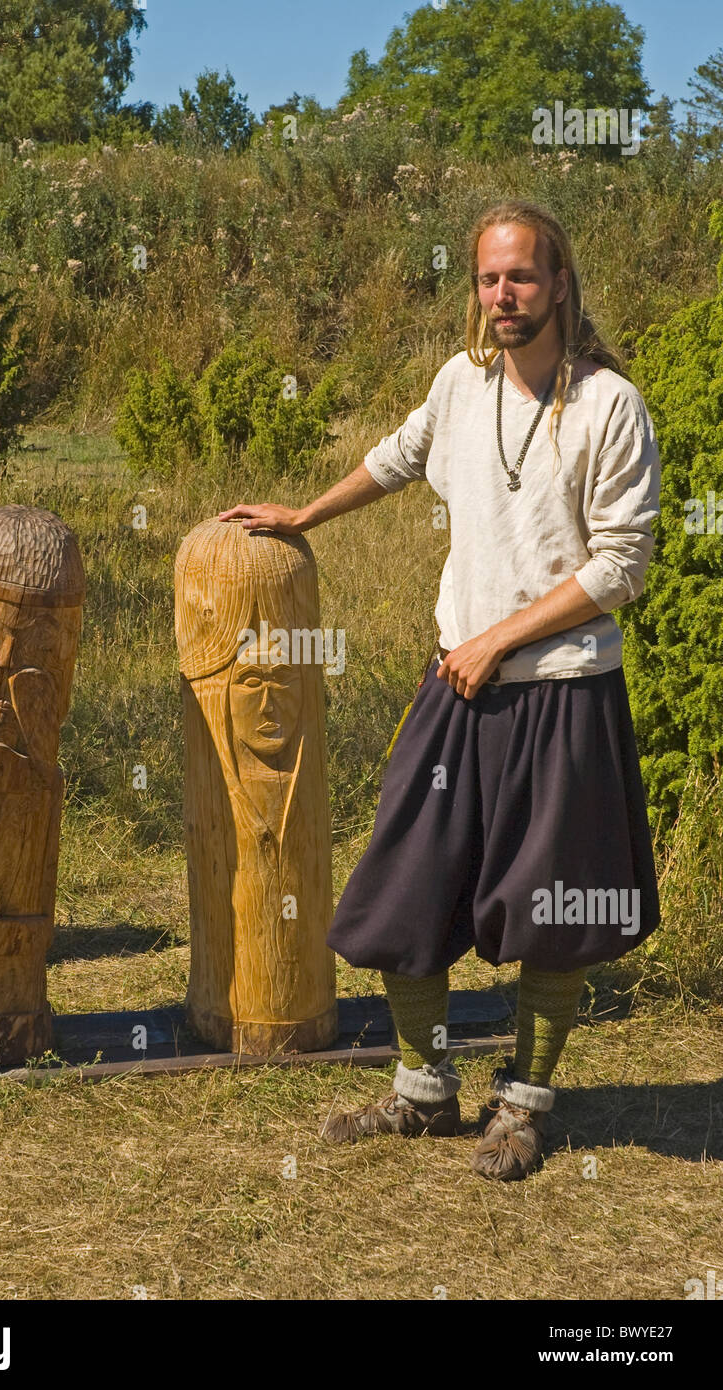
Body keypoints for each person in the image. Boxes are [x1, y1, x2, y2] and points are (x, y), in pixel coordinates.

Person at [217, 199, 661, 1181]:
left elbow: (624, 564)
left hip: (562, 693)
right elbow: (397, 455)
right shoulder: (460, 386)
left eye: (522, 277)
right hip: (458, 687)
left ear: (560, 283)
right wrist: (305, 513)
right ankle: (423, 1090)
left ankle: (522, 1106)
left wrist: (500, 638)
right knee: (400, 887)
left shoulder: (606, 405)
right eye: (488, 278)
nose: (503, 295)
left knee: (554, 911)